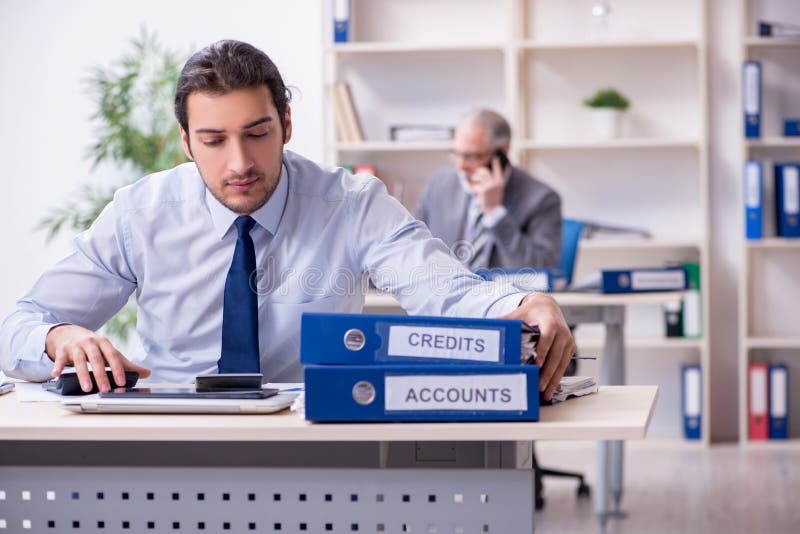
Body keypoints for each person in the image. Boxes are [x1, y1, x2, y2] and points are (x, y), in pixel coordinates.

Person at [0, 40, 575, 401]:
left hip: (315, 437)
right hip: (174, 435)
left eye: (257, 134)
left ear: (287, 125)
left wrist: (517, 307)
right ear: (185, 142)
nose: (241, 163)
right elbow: (18, 326)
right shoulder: (140, 213)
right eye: (213, 140)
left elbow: (442, 291)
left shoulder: (352, 203)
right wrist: (59, 336)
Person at [414, 109, 562, 271]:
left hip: (505, 294)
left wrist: (495, 213)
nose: (461, 166)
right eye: (456, 154)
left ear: (502, 153)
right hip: (445, 291)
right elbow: (412, 243)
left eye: (471, 156)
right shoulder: (439, 184)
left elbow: (541, 268)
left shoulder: (541, 198)